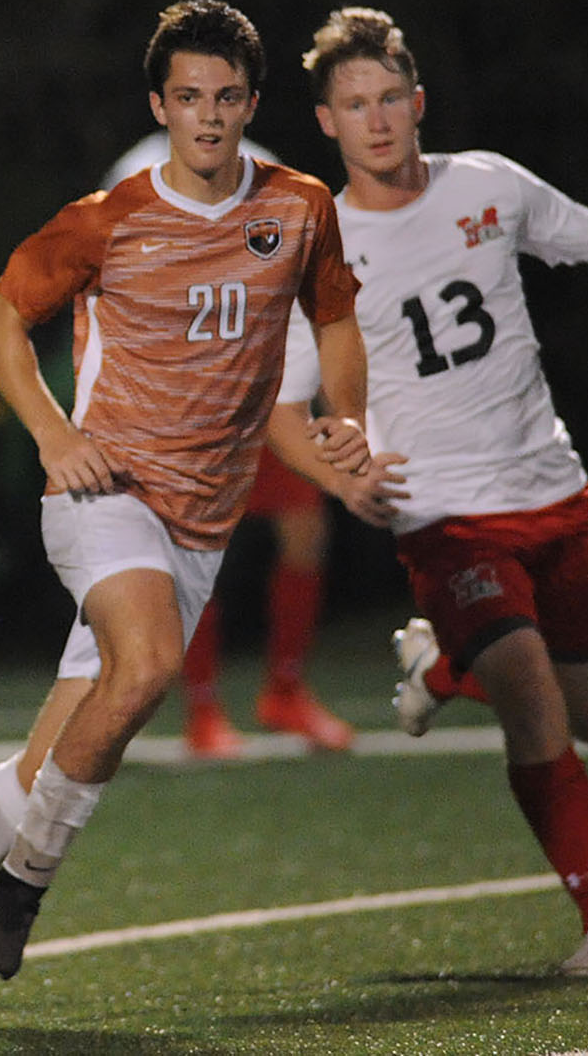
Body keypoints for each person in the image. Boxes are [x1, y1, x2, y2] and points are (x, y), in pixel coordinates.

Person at [0, 0, 378, 1025]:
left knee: (54, 756)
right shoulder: (108, 219)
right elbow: (1, 325)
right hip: (103, 496)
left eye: (227, 98)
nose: (210, 118)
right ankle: (23, 896)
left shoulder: (302, 205)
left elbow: (338, 318)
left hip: (201, 524)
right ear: (160, 105)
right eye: (190, 98)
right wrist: (53, 435)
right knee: (146, 671)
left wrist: (347, 420)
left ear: (253, 103)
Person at [299, 7, 588, 976]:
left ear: (418, 100)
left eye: (390, 96)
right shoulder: (321, 243)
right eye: (355, 104)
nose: (378, 118)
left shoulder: (489, 184)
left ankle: (442, 670)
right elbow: (276, 398)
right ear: (327, 123)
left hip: (552, 492)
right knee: (534, 704)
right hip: (441, 516)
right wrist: (335, 477)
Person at [105, 136, 356, 758]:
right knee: (198, 550)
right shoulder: (137, 170)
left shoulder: (264, 168)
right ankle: (203, 711)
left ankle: (286, 691)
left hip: (259, 380)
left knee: (304, 526)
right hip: (181, 393)